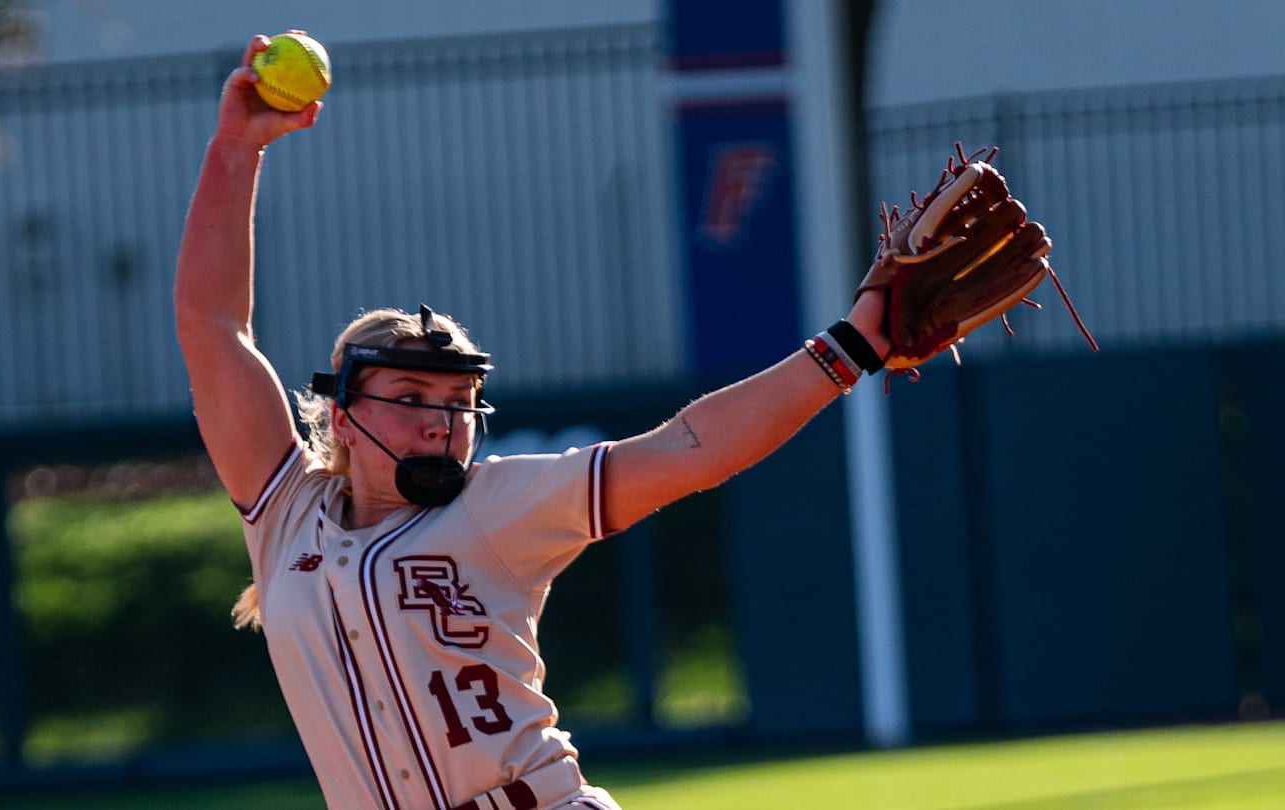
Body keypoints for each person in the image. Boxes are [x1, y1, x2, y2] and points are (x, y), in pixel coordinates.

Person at [175, 34, 892, 810]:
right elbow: (212, 325)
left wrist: (847, 348)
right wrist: (235, 149)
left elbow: (689, 448)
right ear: (343, 417)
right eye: (411, 395)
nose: (439, 421)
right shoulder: (287, 517)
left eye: (456, 403)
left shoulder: (497, 506)